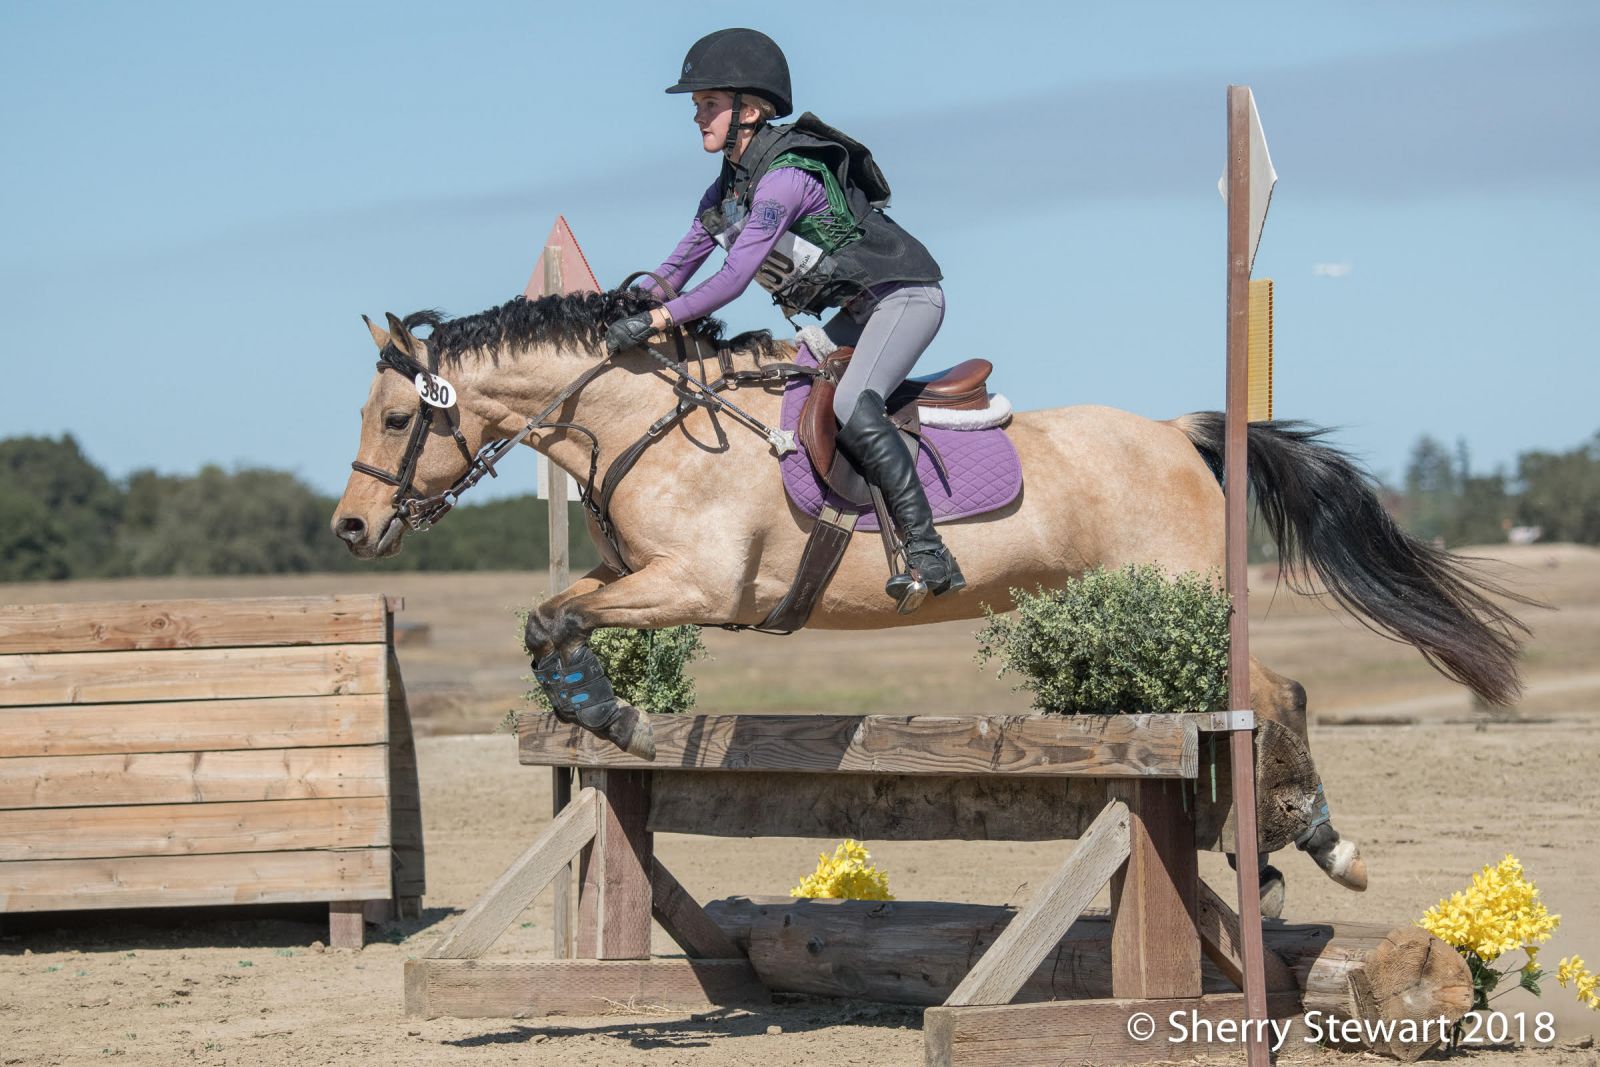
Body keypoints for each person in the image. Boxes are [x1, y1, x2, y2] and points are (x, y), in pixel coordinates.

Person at [604, 27, 964, 601]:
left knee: (850, 402)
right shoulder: (725, 192)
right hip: (856, 311)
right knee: (790, 389)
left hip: (903, 297)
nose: (698, 117)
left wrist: (658, 322)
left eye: (708, 104)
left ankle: (929, 552)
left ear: (750, 110)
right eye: (697, 106)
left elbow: (732, 279)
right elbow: (674, 270)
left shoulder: (784, 179)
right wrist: (616, 306)